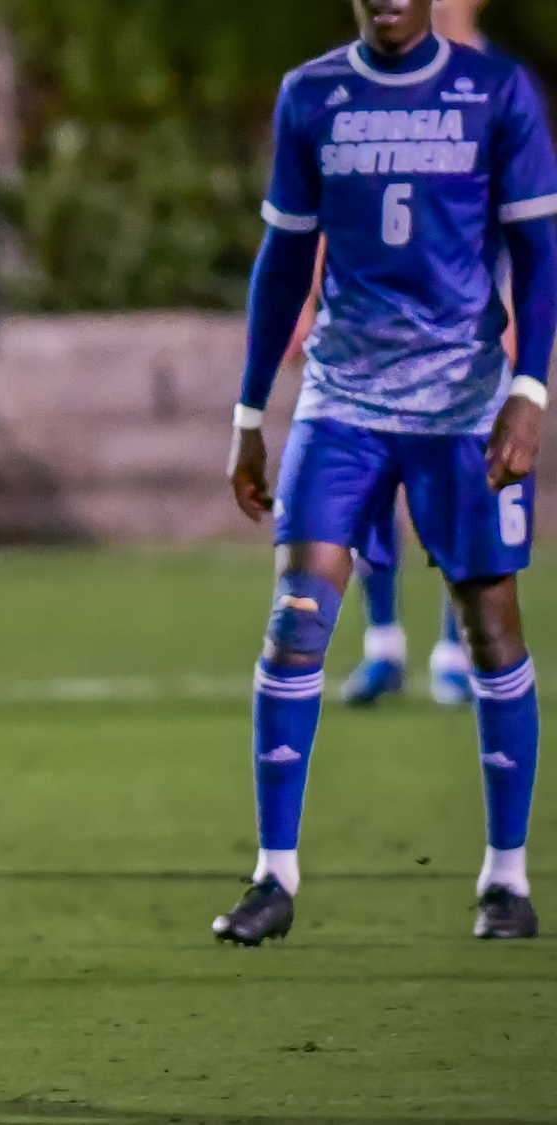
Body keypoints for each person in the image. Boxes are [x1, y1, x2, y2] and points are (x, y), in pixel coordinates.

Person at [218, 0, 557, 945]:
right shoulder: (312, 93)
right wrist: (250, 414)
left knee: (492, 629)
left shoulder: (495, 90)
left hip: (464, 403)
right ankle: (272, 876)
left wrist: (530, 388)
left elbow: (540, 249)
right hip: (344, 402)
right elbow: (283, 258)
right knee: (297, 618)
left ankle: (505, 880)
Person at [331, 0, 502, 707]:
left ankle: (456, 651)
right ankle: (383, 646)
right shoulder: (373, 73)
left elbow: (520, 212)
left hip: (465, 322)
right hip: (373, 319)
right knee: (372, 481)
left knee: (460, 485)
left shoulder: (498, 83)